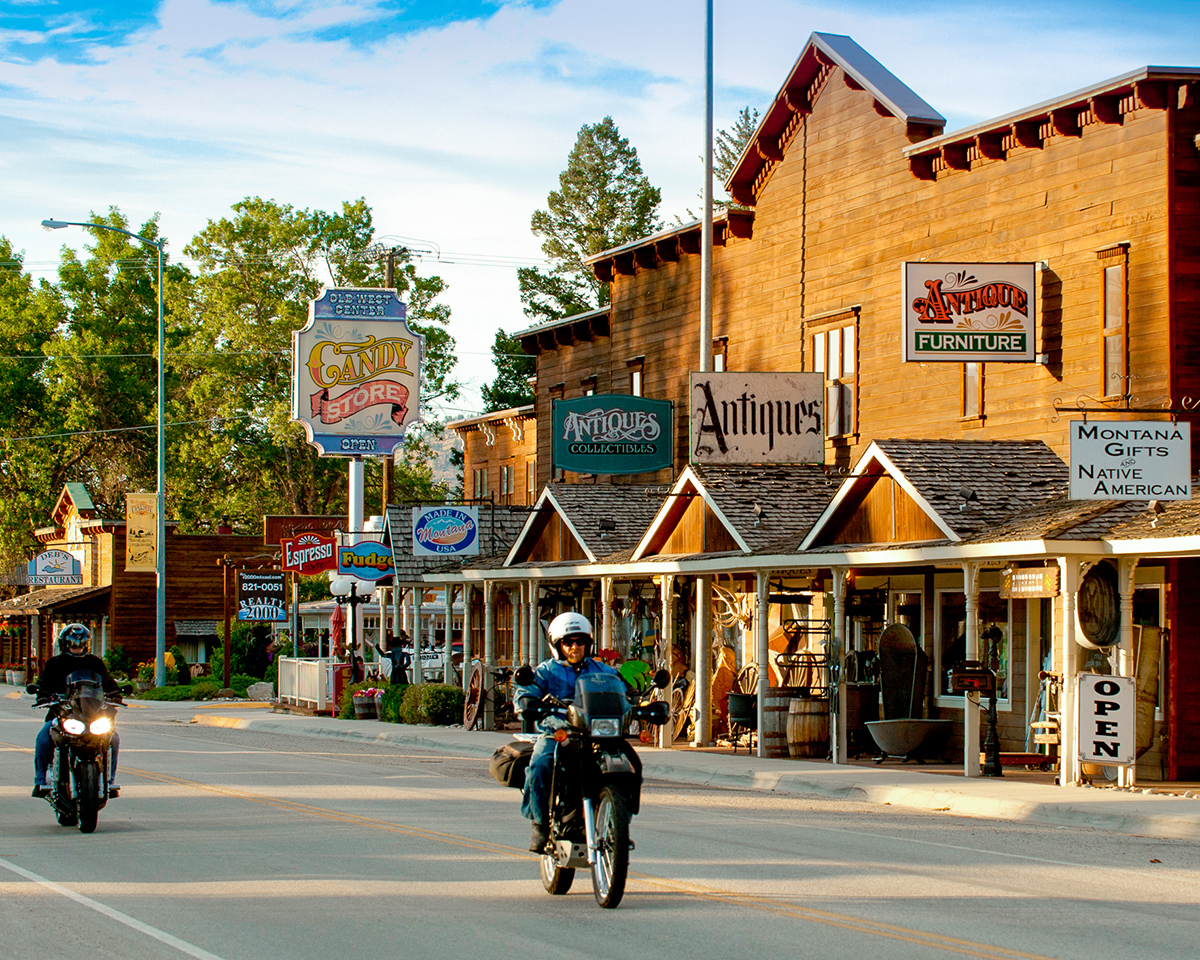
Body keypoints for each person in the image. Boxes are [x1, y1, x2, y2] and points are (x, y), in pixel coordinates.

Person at [515, 611, 626, 852]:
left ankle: (620, 821)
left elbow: (623, 693)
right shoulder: (546, 671)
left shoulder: (603, 670)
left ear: (588, 643)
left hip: (596, 734)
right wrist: (526, 702)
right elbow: (526, 692)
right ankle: (540, 823)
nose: (575, 646)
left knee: (630, 763)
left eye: (581, 641)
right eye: (568, 642)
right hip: (559, 733)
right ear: (557, 645)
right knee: (541, 763)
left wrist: (639, 705)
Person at [32, 623, 122, 798]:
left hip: (92, 713)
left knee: (114, 738)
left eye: (80, 644)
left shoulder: (94, 663)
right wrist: (43, 695)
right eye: (73, 644)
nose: (77, 648)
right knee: (43, 738)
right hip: (63, 712)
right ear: (65, 644)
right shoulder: (54, 663)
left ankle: (109, 781)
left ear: (86, 644)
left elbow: (109, 683)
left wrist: (115, 695)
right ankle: (40, 781)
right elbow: (43, 685)